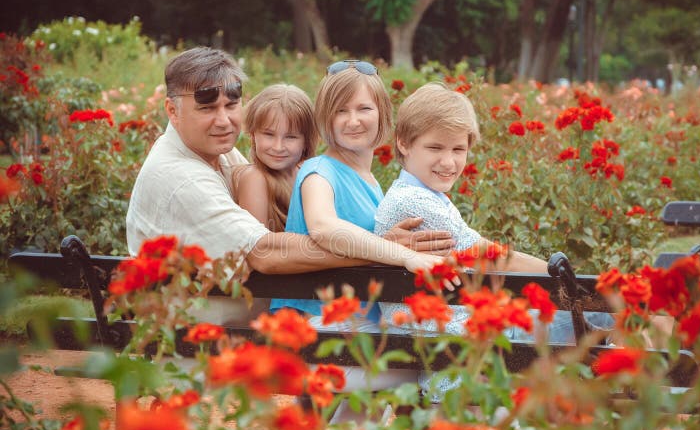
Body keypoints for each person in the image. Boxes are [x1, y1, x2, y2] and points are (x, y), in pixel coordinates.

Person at [126, 48, 453, 325]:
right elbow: (265, 253)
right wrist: (380, 248)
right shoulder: (183, 177)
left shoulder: (217, 153)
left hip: (222, 312)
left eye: (230, 105)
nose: (224, 120)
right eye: (207, 108)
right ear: (172, 111)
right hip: (195, 325)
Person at [374, 83, 614, 347]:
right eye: (435, 148)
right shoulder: (414, 202)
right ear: (404, 144)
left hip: (456, 336)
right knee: (609, 313)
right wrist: (571, 281)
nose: (448, 162)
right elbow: (494, 259)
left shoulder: (409, 192)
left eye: (458, 150)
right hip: (462, 345)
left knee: (598, 316)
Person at [271, 60, 445, 323]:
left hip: (365, 325)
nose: (353, 121)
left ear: (381, 113)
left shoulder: (371, 181)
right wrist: (405, 256)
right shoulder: (319, 171)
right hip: (325, 324)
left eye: (364, 108)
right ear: (326, 117)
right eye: (341, 111)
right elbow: (324, 227)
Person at [232, 84, 317, 231]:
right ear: (253, 134)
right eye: (269, 135)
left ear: (306, 141)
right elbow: (258, 247)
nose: (278, 147)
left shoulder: (306, 173)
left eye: (290, 137)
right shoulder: (255, 178)